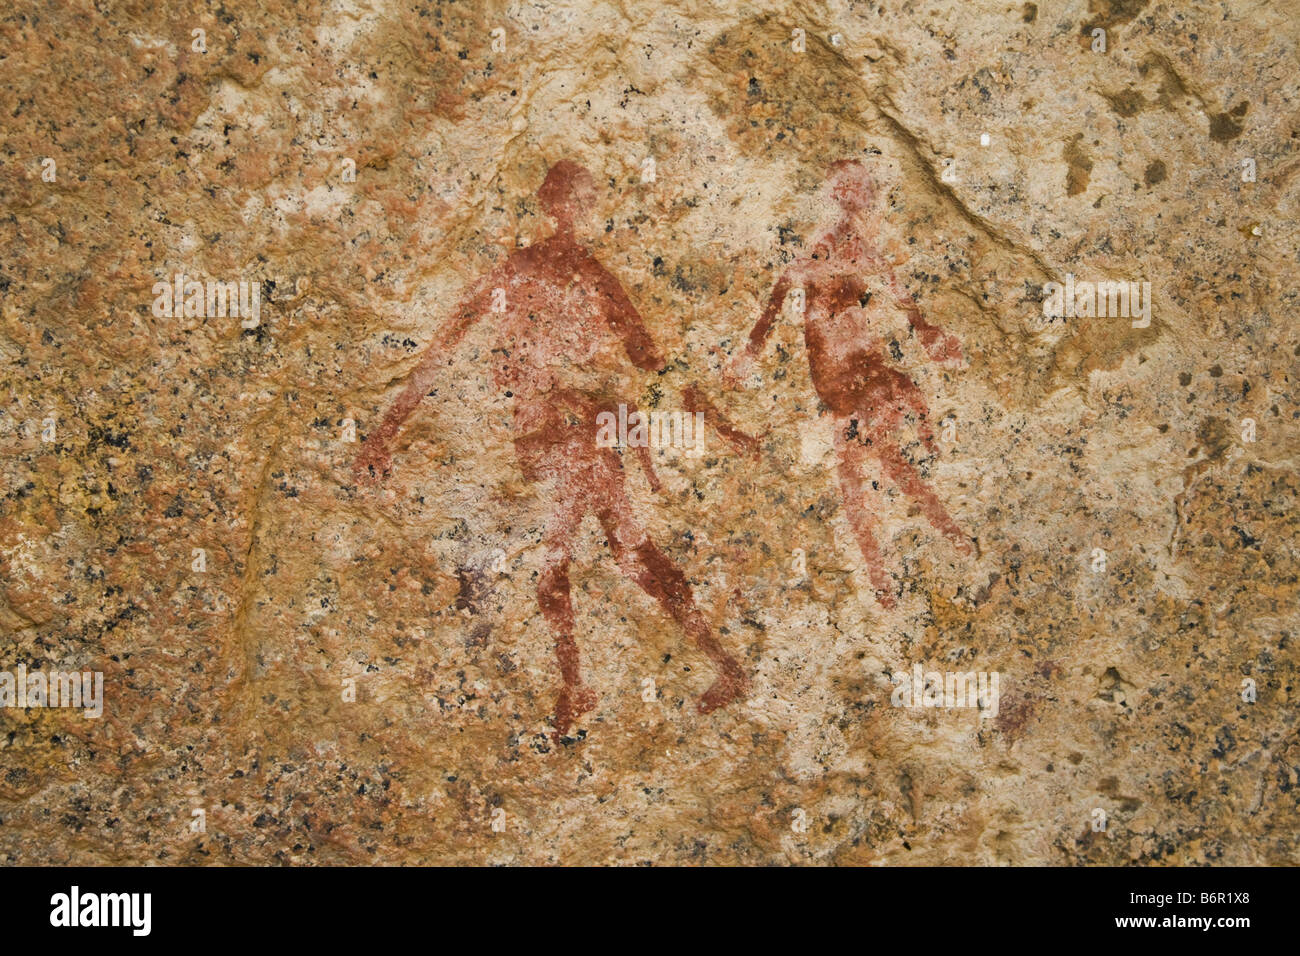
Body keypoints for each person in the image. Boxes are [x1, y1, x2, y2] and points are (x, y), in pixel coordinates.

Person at [353, 160, 749, 738]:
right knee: (626, 559)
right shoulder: (565, 272)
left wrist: (721, 426)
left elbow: (652, 363)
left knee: (578, 567)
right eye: (573, 198)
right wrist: (385, 433)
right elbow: (655, 364)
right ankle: (705, 667)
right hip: (549, 439)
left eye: (574, 198)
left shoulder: (538, 272)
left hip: (574, 441)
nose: (571, 209)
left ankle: (580, 688)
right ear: (563, 203)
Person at [728, 159, 972, 608]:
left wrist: (929, 335)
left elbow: (899, 296)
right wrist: (750, 351)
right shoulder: (831, 243)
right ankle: (917, 555)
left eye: (865, 187)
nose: (866, 195)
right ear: (843, 192)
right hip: (844, 373)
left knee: (870, 475)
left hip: (857, 371)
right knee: (878, 471)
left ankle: (896, 570)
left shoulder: (855, 244)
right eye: (858, 188)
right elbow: (787, 285)